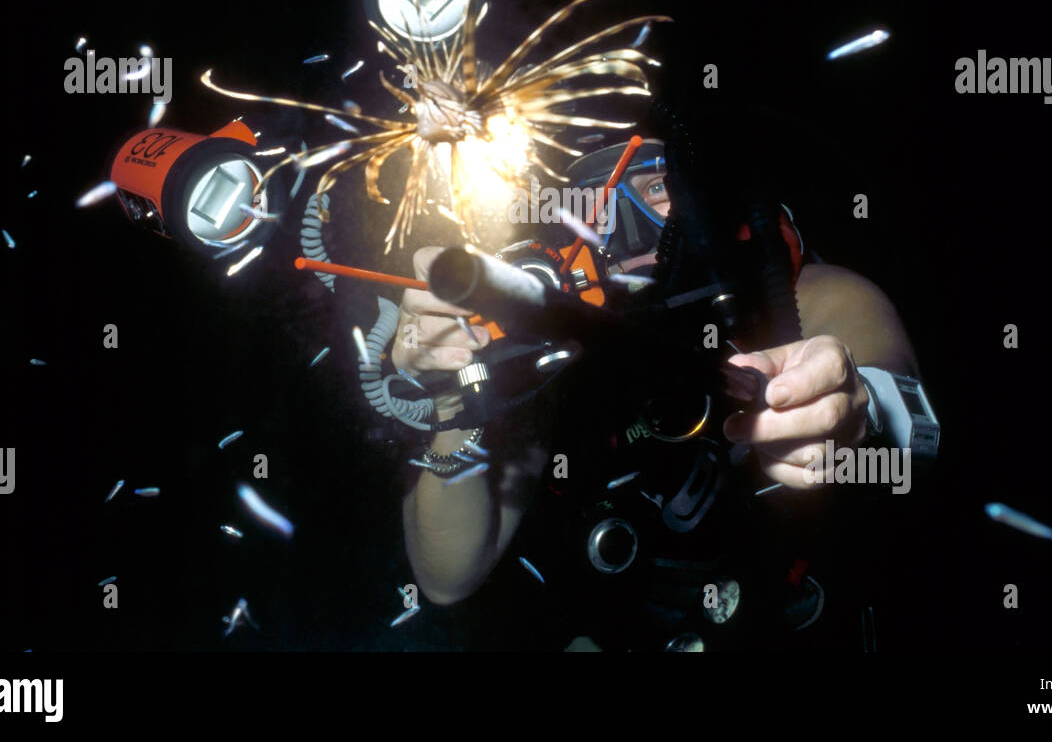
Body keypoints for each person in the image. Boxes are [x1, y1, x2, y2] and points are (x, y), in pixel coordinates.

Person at [393, 138, 920, 647]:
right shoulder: (551, 365)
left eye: (654, 191)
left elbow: (906, 406)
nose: (625, 232)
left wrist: (859, 403)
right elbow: (446, 577)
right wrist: (455, 395)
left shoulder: (803, 298)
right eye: (594, 209)